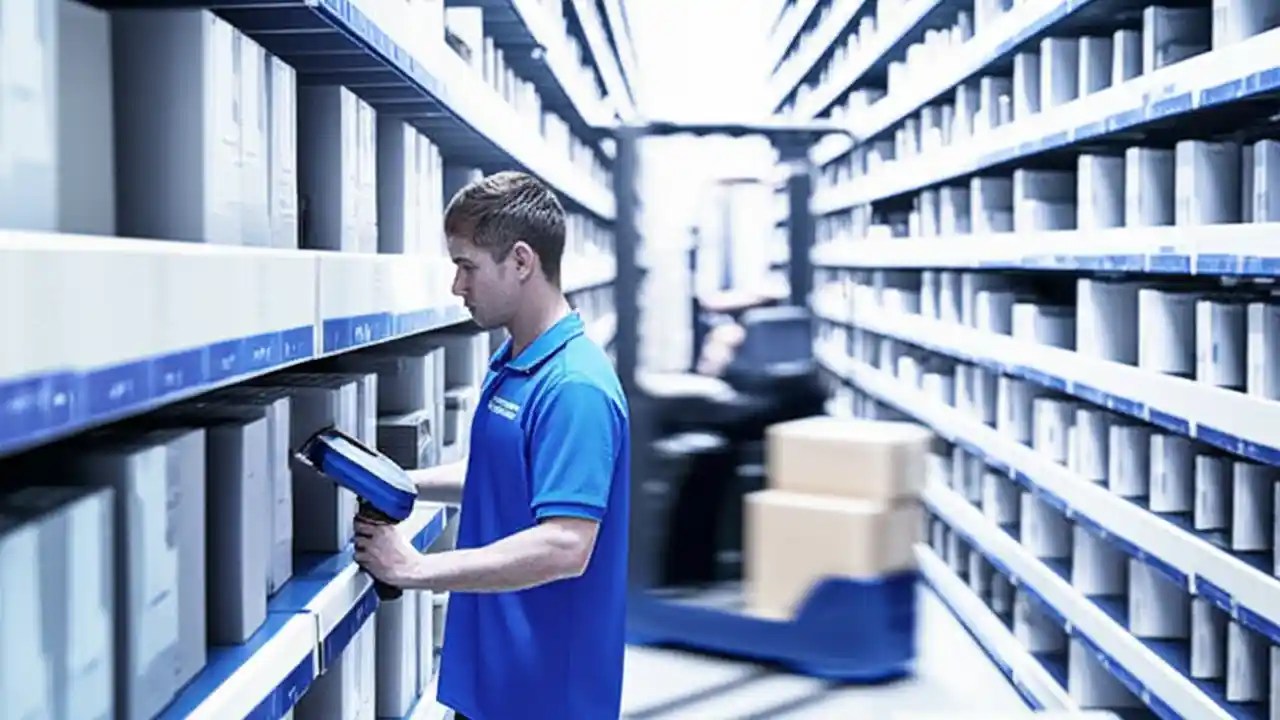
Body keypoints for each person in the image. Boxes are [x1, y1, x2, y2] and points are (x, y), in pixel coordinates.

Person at [353, 171, 631, 720]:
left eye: (467, 266)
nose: (458, 286)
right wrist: (400, 482)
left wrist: (413, 569)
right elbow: (499, 473)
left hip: (544, 697)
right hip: (493, 686)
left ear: (522, 261)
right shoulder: (514, 362)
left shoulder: (575, 387)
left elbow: (565, 546)